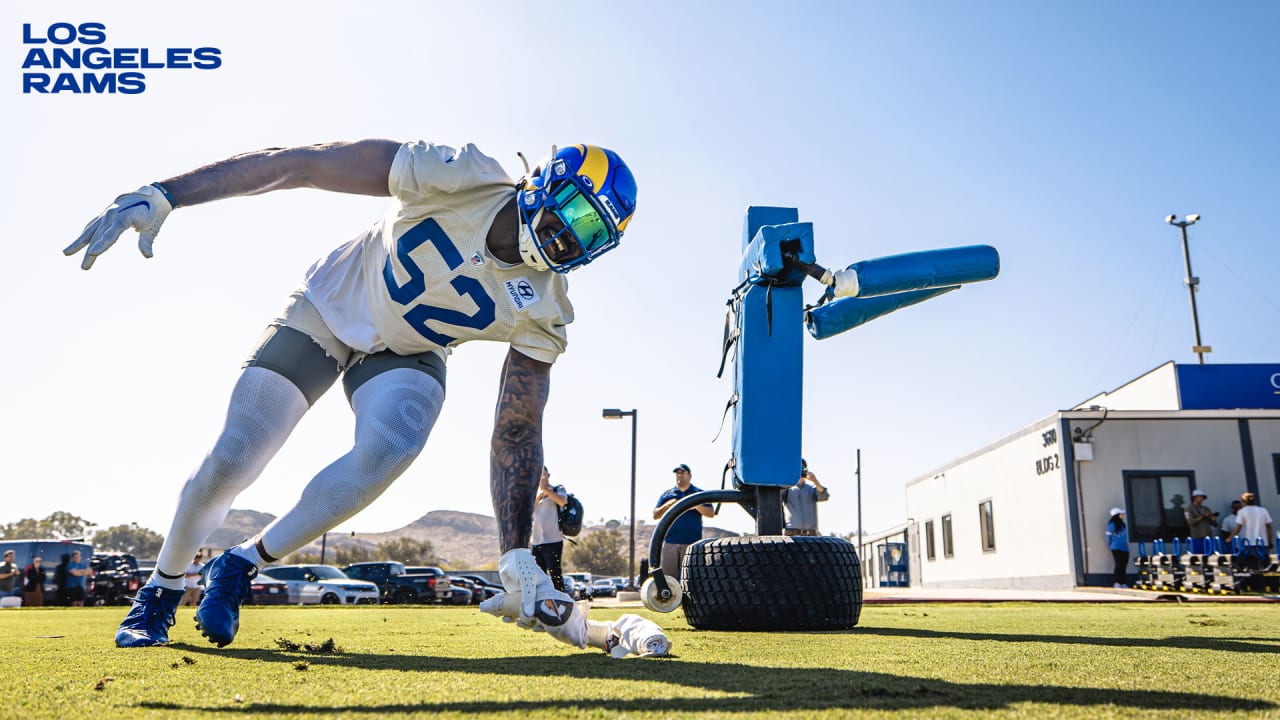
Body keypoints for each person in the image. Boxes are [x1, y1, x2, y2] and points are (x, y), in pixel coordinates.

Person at [67, 139, 637, 649]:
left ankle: (241, 564)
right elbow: (304, 164)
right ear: (544, 180)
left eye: (591, 234)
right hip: (331, 304)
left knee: (394, 446)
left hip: (409, 349)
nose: (569, 235)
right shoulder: (462, 174)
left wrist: (515, 551)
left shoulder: (544, 307)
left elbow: (517, 428)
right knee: (237, 454)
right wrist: (169, 194)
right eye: (576, 211)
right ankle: (162, 588)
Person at [653, 464, 715, 581]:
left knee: (691, 577)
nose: (679, 475)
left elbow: (711, 513)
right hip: (670, 543)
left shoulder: (698, 493)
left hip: (692, 544)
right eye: (677, 473)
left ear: (690, 476)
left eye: (683, 472)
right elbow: (655, 515)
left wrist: (695, 504)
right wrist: (667, 505)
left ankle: (690, 600)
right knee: (669, 579)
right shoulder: (667, 495)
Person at [531, 466, 568, 592]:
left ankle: (561, 603)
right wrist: (539, 495)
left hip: (553, 540)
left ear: (548, 475)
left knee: (555, 575)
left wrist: (546, 489)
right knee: (537, 577)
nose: (541, 476)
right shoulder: (534, 493)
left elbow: (562, 501)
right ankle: (542, 604)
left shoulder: (558, 489)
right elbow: (528, 510)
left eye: (543, 474)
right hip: (536, 542)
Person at [784, 458, 829, 536]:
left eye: (802, 469)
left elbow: (824, 495)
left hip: (810, 533)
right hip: (791, 532)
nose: (800, 473)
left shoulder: (812, 488)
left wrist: (815, 480)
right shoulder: (787, 489)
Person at [1183, 489, 1218, 555]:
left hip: (1208, 536)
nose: (1202, 499)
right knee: (1200, 556)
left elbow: (1215, 525)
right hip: (1197, 537)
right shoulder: (1189, 509)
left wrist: (1213, 519)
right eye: (1200, 497)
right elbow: (1191, 522)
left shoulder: (1206, 509)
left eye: (1203, 497)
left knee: (1210, 555)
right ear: (1195, 497)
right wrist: (1203, 516)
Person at [1105, 508, 1129, 588]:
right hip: (1116, 548)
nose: (1123, 515)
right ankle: (1117, 582)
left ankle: (1123, 582)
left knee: (1123, 565)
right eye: (1121, 514)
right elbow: (1108, 536)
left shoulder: (1123, 524)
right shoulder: (1112, 524)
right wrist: (1109, 546)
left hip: (1125, 548)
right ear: (1117, 515)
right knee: (1118, 565)